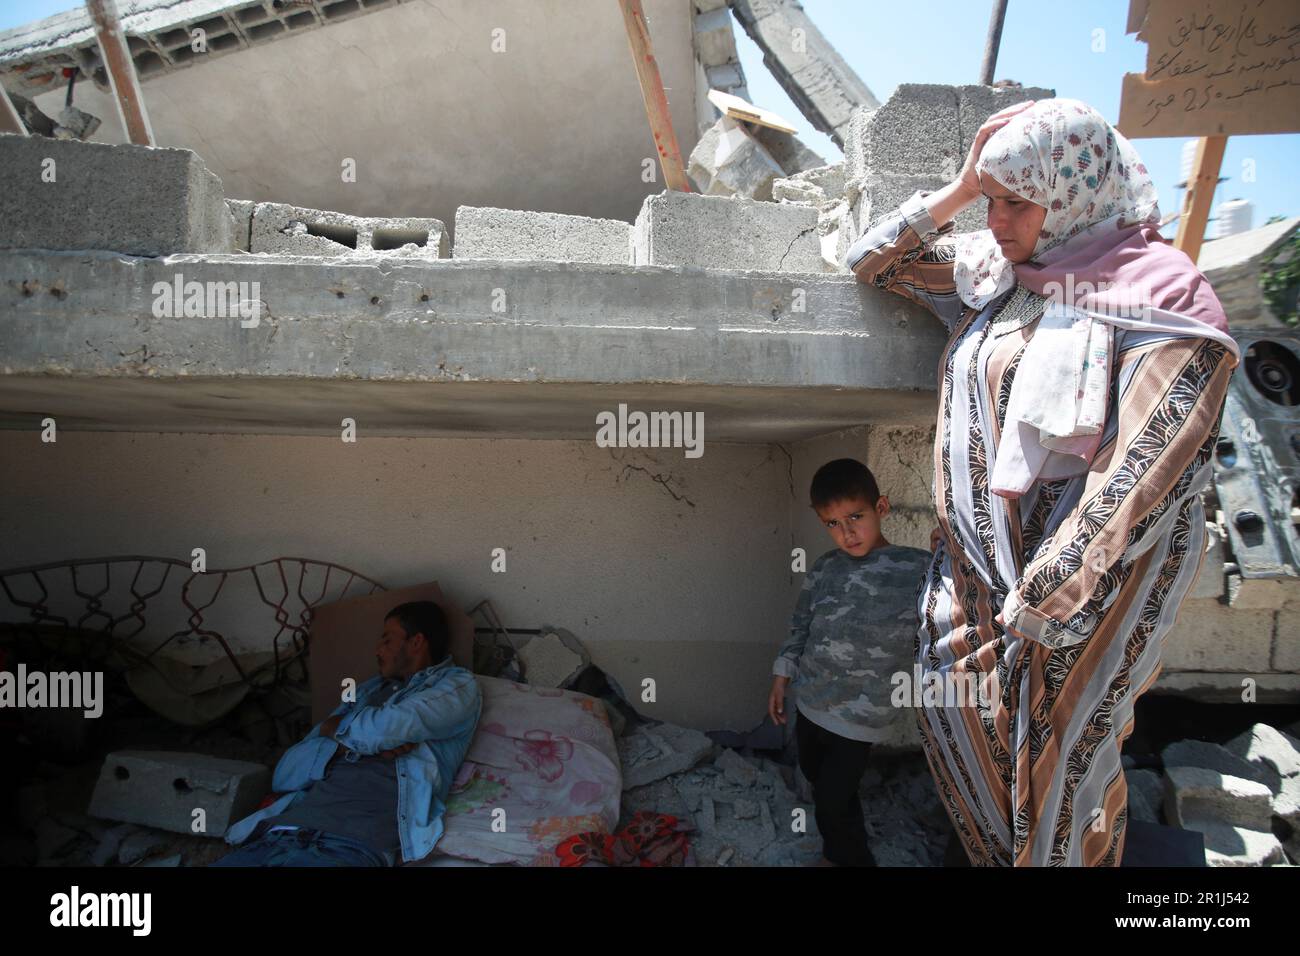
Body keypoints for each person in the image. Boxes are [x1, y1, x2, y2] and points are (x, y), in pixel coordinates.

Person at [846, 98, 1240, 867]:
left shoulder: (1163, 292)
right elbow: (874, 263)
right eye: (991, 202)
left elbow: (1152, 456)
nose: (997, 219)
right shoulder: (996, 276)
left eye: (1017, 201)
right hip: (971, 574)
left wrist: (1051, 591)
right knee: (962, 730)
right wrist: (962, 189)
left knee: (1061, 761)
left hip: (1087, 584)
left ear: (1073, 195)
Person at [213, 601, 481, 866]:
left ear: (416, 642)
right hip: (282, 832)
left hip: (350, 844)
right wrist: (344, 746)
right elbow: (285, 774)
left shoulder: (457, 686)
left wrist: (336, 728)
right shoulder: (366, 692)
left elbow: (389, 728)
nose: (377, 650)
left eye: (387, 640)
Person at [768, 458, 931, 866]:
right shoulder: (825, 568)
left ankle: (846, 858)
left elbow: (950, 617)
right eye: (832, 523)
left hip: (862, 712)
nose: (847, 533)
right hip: (812, 700)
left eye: (855, 517)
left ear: (882, 507)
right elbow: (801, 622)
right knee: (815, 775)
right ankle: (843, 842)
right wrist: (781, 675)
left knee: (831, 798)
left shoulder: (917, 569)